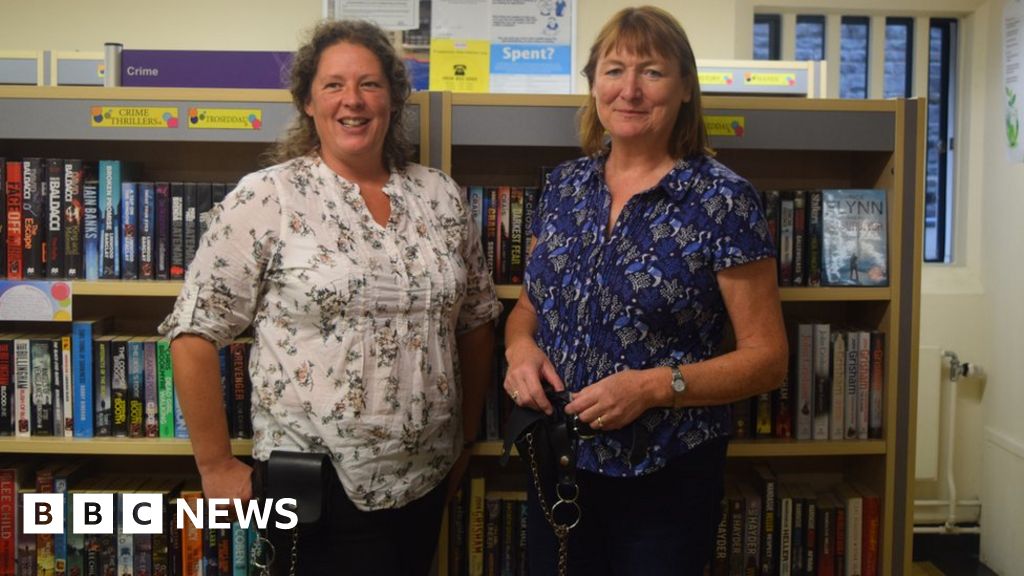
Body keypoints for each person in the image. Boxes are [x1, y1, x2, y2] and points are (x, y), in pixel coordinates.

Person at [159, 19, 501, 576]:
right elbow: (194, 333)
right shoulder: (268, 196)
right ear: (308, 102)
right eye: (334, 85)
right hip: (314, 485)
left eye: (369, 84)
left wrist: (464, 440)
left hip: (427, 476)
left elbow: (478, 321)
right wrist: (216, 466)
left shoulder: (438, 195)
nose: (353, 100)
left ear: (392, 99)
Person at [503, 6, 788, 575]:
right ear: (593, 85)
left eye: (652, 72)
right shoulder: (564, 186)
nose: (630, 89)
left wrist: (654, 388)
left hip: (666, 475)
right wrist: (520, 350)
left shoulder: (722, 200)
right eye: (614, 70)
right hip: (559, 462)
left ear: (685, 88)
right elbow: (529, 307)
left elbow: (768, 360)